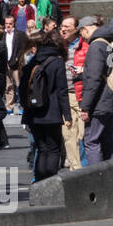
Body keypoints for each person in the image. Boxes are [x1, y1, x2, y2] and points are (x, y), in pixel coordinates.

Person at [19, 29, 72, 182]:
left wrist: (26, 109)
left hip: (33, 113)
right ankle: (51, 183)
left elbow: (23, 87)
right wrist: (67, 115)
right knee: (54, 148)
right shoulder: (57, 62)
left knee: (42, 148)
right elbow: (62, 90)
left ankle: (40, 183)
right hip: (52, 112)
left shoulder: (32, 62)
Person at [80, 19, 113, 165]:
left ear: (86, 29)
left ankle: (97, 179)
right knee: (108, 141)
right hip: (110, 98)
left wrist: (86, 106)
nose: (83, 37)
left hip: (99, 102)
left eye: (81, 33)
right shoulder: (109, 44)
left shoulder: (96, 46)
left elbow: (94, 79)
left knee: (91, 141)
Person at [59, 16, 88, 170]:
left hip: (82, 94)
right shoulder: (59, 46)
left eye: (67, 27)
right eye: (62, 26)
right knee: (68, 134)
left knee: (83, 135)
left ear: (76, 29)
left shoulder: (86, 46)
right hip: (65, 95)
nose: (63, 29)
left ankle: (85, 168)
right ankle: (75, 169)